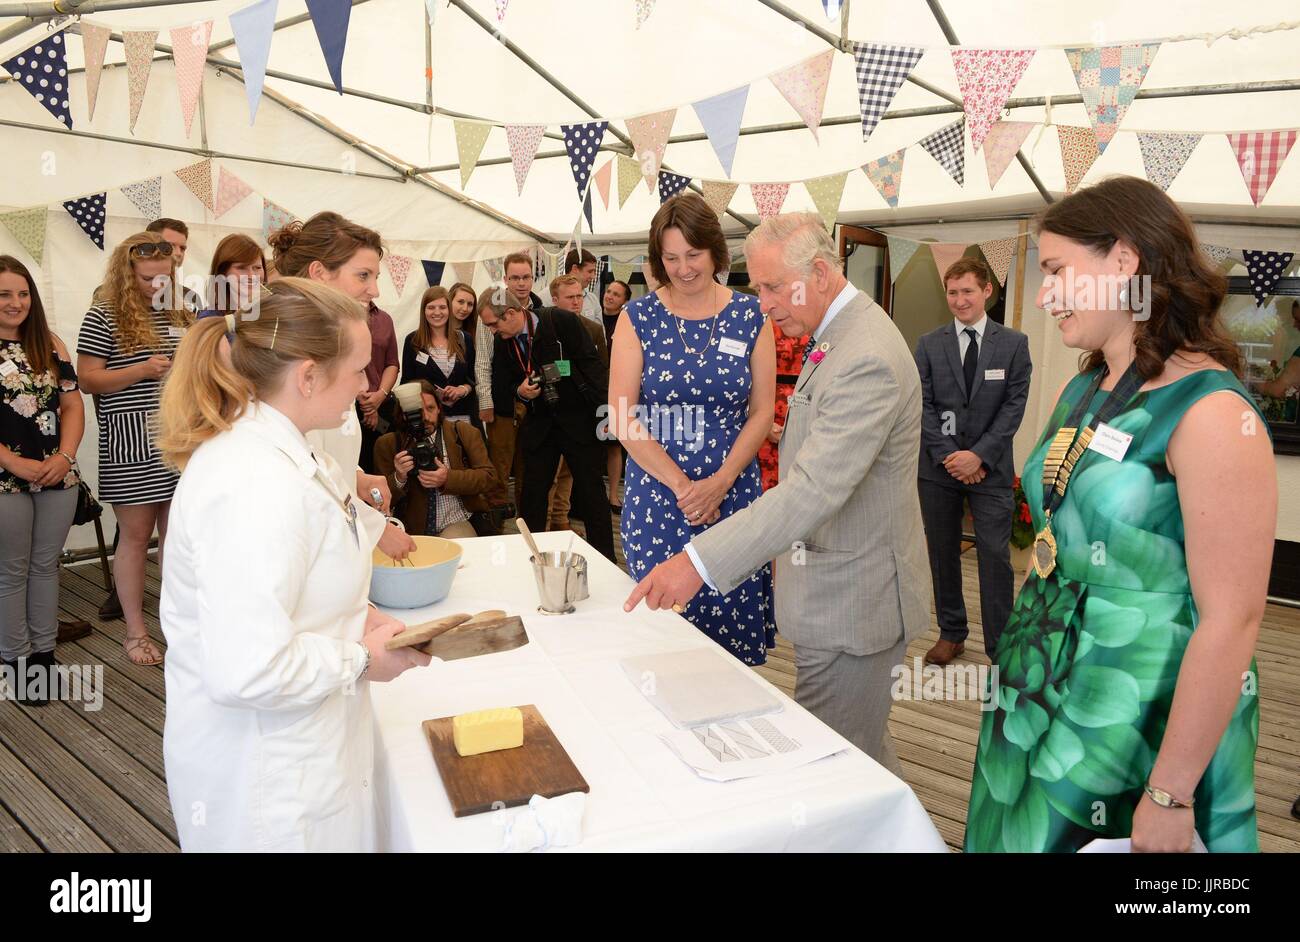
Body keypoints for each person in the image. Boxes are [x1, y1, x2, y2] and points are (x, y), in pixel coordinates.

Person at [965, 176, 1275, 853]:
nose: (1044, 294)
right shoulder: (1084, 386)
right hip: (1042, 680)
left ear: (1125, 262)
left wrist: (1170, 793)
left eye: (1056, 271)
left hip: (1138, 709)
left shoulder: (1213, 414)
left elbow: (1234, 618)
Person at [624, 212, 931, 772]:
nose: (761, 303)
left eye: (770, 286)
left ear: (817, 272)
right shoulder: (839, 335)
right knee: (862, 756)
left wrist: (696, 561)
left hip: (855, 605)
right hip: (837, 595)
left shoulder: (864, 356)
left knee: (834, 770)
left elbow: (811, 490)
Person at [157, 278, 429, 852]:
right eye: (356, 369)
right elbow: (248, 668)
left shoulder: (289, 449)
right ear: (307, 376)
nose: (365, 384)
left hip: (307, 759)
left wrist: (360, 616)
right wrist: (359, 659)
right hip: (267, 788)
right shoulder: (252, 482)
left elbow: (303, 581)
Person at [612, 193, 777, 665]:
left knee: (726, 650)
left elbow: (762, 411)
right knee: (662, 640)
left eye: (693, 255)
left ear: (715, 252)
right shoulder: (636, 318)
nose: (683, 268)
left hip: (733, 496)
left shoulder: (751, 316)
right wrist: (685, 487)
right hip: (660, 499)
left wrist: (720, 484)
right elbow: (622, 415)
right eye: (671, 258)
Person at [76, 232, 194, 666]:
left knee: (178, 538)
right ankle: (135, 631)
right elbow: (87, 378)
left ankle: (177, 622)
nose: (157, 285)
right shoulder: (104, 315)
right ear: (127, 273)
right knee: (136, 536)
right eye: (148, 278)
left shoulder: (181, 309)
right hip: (130, 442)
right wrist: (142, 369)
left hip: (177, 437)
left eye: (165, 277)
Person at [268, 212, 413, 563]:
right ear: (320, 273)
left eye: (375, 276)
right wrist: (375, 527)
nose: (375, 289)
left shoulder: (327, 345)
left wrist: (357, 476)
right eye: (363, 275)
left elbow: (321, 449)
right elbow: (305, 473)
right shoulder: (291, 351)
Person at [915, 256, 1032, 665]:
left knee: (995, 558)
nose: (960, 300)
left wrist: (978, 456)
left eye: (967, 291)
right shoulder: (929, 344)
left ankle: (1000, 645)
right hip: (938, 470)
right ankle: (952, 633)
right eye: (952, 292)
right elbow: (923, 405)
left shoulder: (1014, 344)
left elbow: (1013, 408)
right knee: (943, 552)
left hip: (992, 469)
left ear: (987, 291)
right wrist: (951, 457)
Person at [0, 256, 85, 704]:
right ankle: (14, 659)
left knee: (45, 566)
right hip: (4, 479)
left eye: (23, 293)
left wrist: (66, 456)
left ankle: (44, 655)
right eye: (4, 294)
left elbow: (72, 406)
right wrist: (12, 462)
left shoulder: (49, 344)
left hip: (56, 474)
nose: (16, 303)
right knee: (11, 572)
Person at [480, 286, 615, 562]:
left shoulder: (560, 321)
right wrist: (520, 392)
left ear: (512, 313)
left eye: (494, 324)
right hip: (540, 425)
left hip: (578, 421)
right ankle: (530, 558)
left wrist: (606, 417)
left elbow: (594, 369)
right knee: (532, 495)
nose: (492, 331)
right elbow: (501, 386)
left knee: (591, 493)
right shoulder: (502, 340)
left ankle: (606, 559)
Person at [374, 380, 496, 538]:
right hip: (411, 528)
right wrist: (399, 478)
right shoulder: (388, 444)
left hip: (455, 522)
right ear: (404, 413)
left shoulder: (464, 433)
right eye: (417, 410)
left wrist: (448, 478)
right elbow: (378, 501)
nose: (424, 416)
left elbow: (489, 478)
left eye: (430, 408)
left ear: (439, 408)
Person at [475, 252, 545, 513]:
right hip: (503, 401)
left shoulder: (541, 309)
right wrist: (486, 401)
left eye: (526, 277)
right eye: (515, 277)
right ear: (505, 279)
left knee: (531, 463)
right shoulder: (491, 308)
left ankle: (528, 513)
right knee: (500, 463)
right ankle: (496, 516)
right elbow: (483, 360)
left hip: (536, 402)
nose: (521, 283)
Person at [545, 274, 609, 530]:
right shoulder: (545, 327)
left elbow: (602, 371)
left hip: (583, 413)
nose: (576, 302)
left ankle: (561, 520)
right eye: (570, 297)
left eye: (579, 296)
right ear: (555, 299)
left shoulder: (593, 329)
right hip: (551, 410)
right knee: (550, 474)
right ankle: (546, 522)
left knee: (570, 475)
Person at [401, 286, 476, 424]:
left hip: (463, 418)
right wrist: (430, 393)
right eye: (431, 307)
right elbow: (406, 382)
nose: (437, 312)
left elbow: (473, 379)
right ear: (423, 311)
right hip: (428, 419)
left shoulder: (465, 339)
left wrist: (461, 390)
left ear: (449, 310)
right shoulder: (413, 341)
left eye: (442, 307)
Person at [756, 318, 810, 492]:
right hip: (765, 410)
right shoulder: (758, 320)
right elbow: (740, 377)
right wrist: (763, 425)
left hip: (807, 407)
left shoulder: (815, 320)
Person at [601, 279, 632, 511]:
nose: (610, 296)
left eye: (616, 294)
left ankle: (613, 495)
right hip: (594, 390)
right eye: (609, 291)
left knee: (613, 444)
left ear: (624, 301)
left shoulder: (625, 323)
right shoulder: (590, 317)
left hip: (616, 391)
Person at [199, 234, 266, 318]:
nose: (252, 275)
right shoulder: (210, 319)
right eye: (242, 268)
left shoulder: (270, 313)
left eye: (257, 267)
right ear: (223, 273)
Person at [145, 218, 202, 312]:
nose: (179, 253)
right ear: (149, 246)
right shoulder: (126, 297)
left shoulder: (191, 298)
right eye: (171, 246)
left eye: (182, 248)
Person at [1254, 299, 1300, 399]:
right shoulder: (1281, 333)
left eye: (1298, 320)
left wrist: (1251, 377)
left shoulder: (1280, 334)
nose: (1295, 325)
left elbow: (1277, 390)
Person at [564, 248, 602, 323]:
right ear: (575, 269)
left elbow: (600, 332)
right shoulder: (548, 296)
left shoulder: (593, 299)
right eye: (590, 271)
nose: (593, 276)